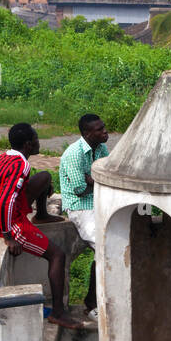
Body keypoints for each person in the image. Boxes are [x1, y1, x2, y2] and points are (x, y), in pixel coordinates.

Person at [0, 124, 80, 329]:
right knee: (57, 256)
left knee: (44, 177)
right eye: (36, 138)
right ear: (28, 144)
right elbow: (6, 200)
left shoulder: (4, 157)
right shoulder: (21, 165)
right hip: (8, 223)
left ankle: (41, 216)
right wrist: (8, 236)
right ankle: (58, 313)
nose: (38, 142)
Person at [58, 113, 110, 318]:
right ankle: (93, 305)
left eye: (103, 127)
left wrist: (92, 178)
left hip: (98, 202)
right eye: (99, 129)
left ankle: (95, 299)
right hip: (80, 207)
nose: (105, 131)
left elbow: (107, 175)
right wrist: (95, 180)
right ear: (88, 133)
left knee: (114, 244)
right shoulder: (74, 154)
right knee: (103, 246)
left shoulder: (102, 149)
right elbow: (79, 188)